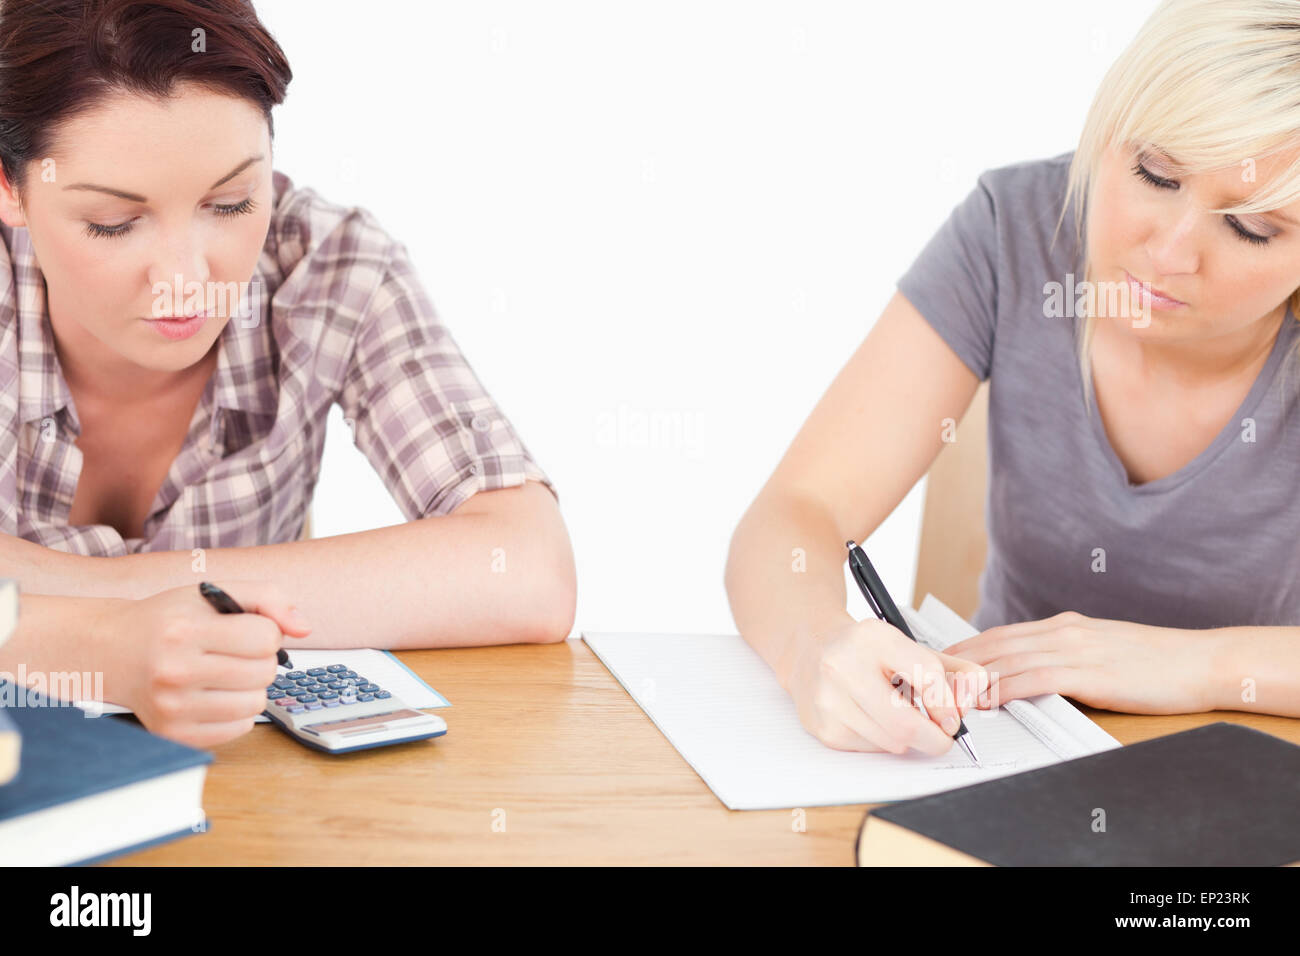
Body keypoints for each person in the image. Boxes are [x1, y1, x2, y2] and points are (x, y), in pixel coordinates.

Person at [725, 0, 1300, 756]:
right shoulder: (1015, 230)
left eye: (1250, 226)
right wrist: (818, 650)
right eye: (1155, 174)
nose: (1169, 254)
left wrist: (1193, 666)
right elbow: (796, 513)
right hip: (1003, 755)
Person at [0, 0, 576, 748]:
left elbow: (526, 570)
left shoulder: (330, 267)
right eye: (114, 221)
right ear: (11, 188)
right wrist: (102, 646)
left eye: (232, 201)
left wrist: (68, 590)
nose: (185, 278)